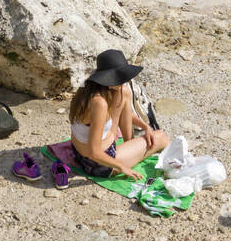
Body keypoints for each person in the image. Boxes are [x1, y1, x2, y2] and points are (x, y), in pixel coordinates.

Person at [69, 49, 168, 182]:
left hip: (79, 152)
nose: (125, 80)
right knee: (161, 137)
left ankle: (130, 144)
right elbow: (94, 152)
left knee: (125, 92)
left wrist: (146, 127)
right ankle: (181, 163)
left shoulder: (89, 89)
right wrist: (122, 167)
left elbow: (124, 113)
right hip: (98, 163)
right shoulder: (99, 103)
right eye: (120, 77)